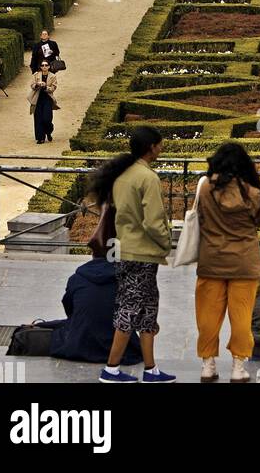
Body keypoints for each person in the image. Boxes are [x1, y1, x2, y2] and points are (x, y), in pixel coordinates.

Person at [92, 125, 175, 383]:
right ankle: (111, 368)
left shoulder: (122, 174)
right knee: (130, 309)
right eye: (160, 144)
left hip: (127, 249)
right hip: (143, 253)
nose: (162, 148)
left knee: (148, 309)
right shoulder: (148, 178)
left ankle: (151, 369)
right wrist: (166, 242)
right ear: (151, 147)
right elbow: (153, 222)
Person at [195, 142, 260, 384]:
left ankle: (208, 365)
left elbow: (199, 216)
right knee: (242, 317)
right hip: (244, 262)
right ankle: (238, 367)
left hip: (212, 260)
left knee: (207, 316)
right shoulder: (252, 192)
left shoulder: (206, 188)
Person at [46, 240, 143, 365]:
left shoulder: (77, 278)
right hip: (121, 350)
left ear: (93, 254)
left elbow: (71, 313)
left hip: (79, 345)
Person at [29, 60, 58, 145]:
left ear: (49, 66)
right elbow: (32, 85)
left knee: (47, 119)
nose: (44, 67)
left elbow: (53, 88)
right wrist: (38, 84)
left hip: (47, 99)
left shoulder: (53, 76)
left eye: (46, 65)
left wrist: (46, 86)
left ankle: (48, 131)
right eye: (42, 65)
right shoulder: (36, 75)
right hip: (37, 99)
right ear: (40, 67)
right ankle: (40, 138)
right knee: (38, 118)